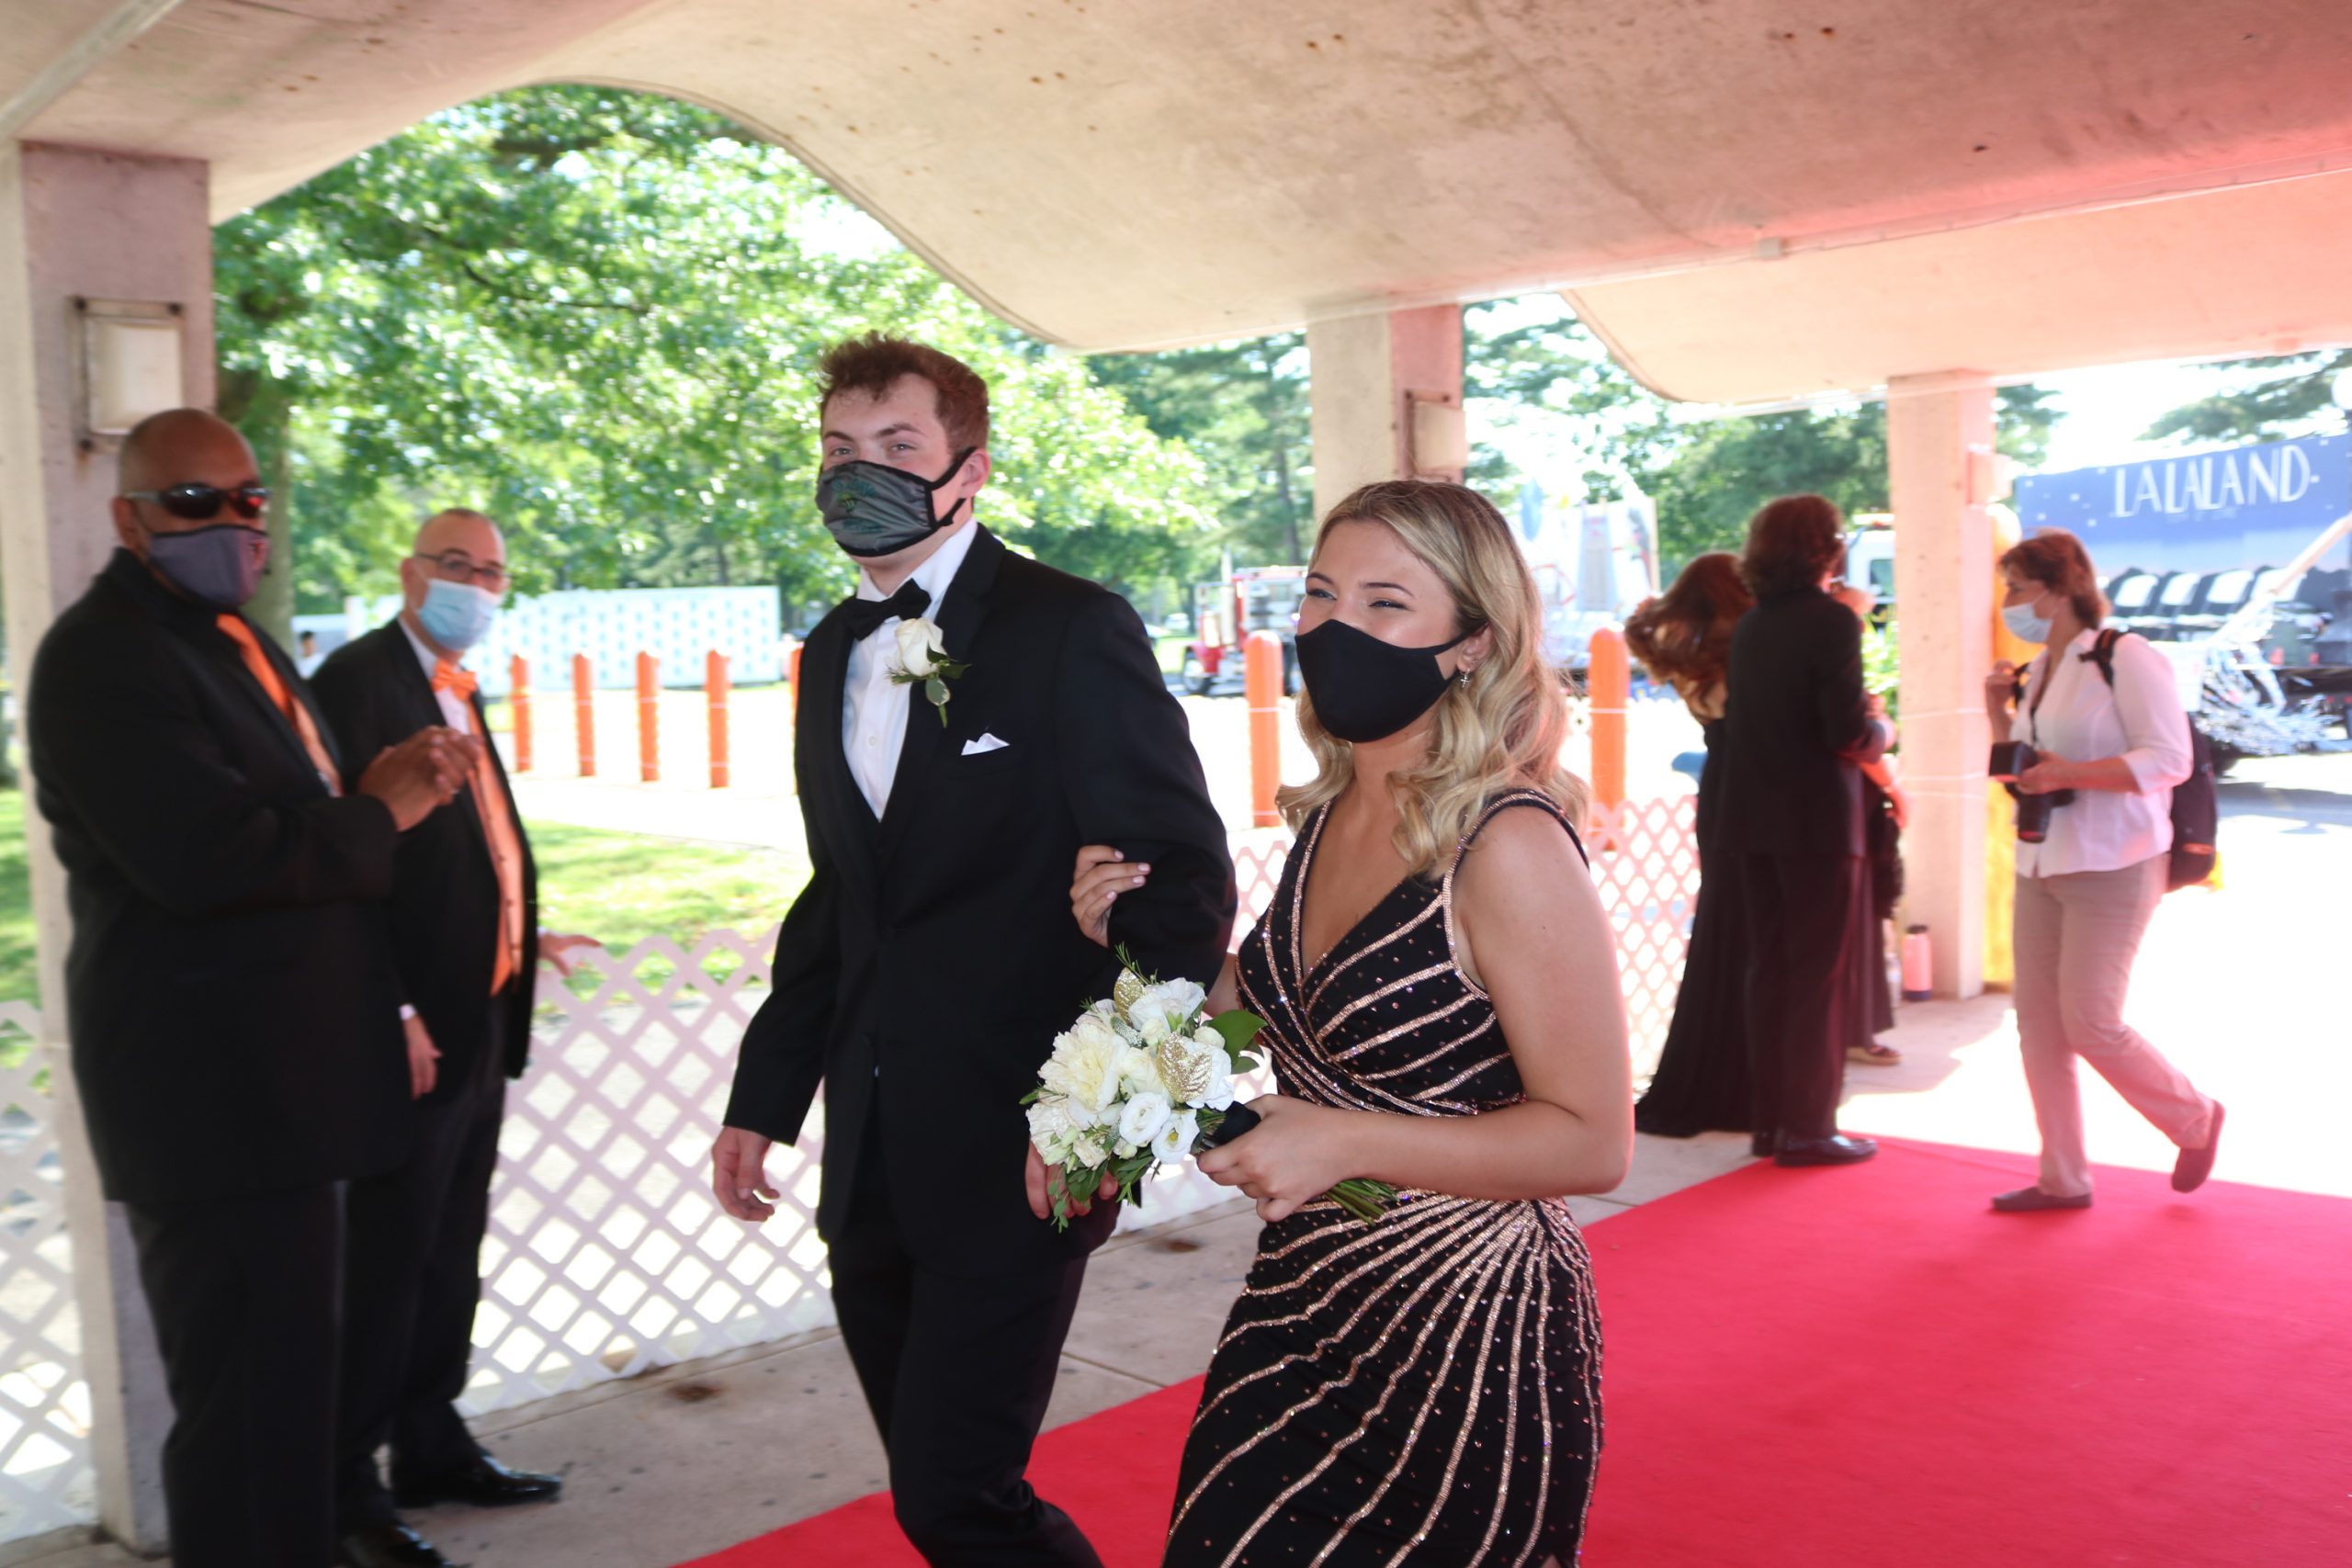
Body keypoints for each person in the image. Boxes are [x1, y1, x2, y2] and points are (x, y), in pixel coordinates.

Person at [707, 335, 1234, 1566]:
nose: (861, 472)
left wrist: (1104, 1118)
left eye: (897, 445)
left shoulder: (1070, 628)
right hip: (870, 1152)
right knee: (936, 1489)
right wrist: (765, 1094)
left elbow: (1183, 878)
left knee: (956, 1488)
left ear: (970, 467)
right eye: (840, 449)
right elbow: (845, 895)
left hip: (1024, 1149)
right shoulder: (832, 649)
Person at [1069, 480, 1632, 1567]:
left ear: (1471, 642)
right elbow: (1298, 1012)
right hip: (1302, 1300)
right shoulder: (1331, 811)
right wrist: (1138, 947)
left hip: (1466, 1332)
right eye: (1322, 596)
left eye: (1385, 604)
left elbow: (1592, 1139)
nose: (1336, 630)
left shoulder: (1507, 841)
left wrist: (1343, 1140)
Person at [25, 409, 474, 1568]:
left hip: (286, 1087)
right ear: (130, 519)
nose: (232, 522)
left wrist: (389, 988)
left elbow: (311, 836)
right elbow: (212, 861)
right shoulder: (103, 658)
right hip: (209, 1097)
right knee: (241, 1415)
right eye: (193, 501)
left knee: (288, 1398)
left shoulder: (239, 641)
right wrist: (383, 810)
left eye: (248, 498)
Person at [311, 509, 599, 1568]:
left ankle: (429, 1443)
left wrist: (520, 931)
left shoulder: (454, 685)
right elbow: (340, 866)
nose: (474, 584)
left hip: (479, 1009)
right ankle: (347, 1491)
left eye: (490, 570)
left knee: (446, 1253)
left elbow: (465, 850)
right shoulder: (357, 684)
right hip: (413, 1029)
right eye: (454, 566)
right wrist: (387, 1007)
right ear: (409, 571)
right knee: (385, 1265)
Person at [1981, 528, 2222, 1213]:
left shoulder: (2126, 656)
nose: (2009, 603)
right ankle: (2062, 1175)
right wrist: (1999, 712)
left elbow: (2168, 758)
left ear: (2059, 591)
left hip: (2115, 861)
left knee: (2089, 1019)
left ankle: (2195, 1117)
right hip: (2042, 860)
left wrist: (2073, 773)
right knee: (2039, 1025)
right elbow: (2023, 771)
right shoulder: (2039, 671)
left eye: (2018, 587)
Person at [1715, 494, 1892, 1165]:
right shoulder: (1830, 622)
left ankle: (1774, 1123)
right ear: (1827, 547)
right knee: (1817, 978)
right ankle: (1811, 1127)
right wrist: (1882, 728)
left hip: (1754, 818)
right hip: (1817, 823)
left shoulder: (1756, 623)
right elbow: (1844, 732)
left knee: (1772, 971)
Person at [1626, 552, 1757, 1137]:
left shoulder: (1687, 659)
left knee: (1719, 934)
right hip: (1753, 799)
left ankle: (1707, 1074)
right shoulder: (1744, 655)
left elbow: (1639, 632)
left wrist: (1652, 612)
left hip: (1722, 794)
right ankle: (1738, 1079)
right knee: (1748, 939)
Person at [1831, 579, 1905, 1067]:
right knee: (1854, 923)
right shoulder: (1828, 653)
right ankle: (1854, 1029)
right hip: (1845, 808)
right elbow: (1855, 739)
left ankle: (1854, 1027)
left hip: (1850, 805)